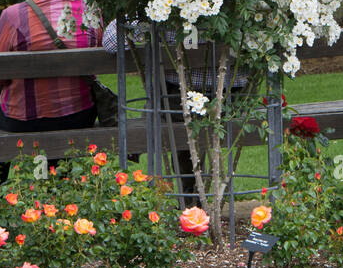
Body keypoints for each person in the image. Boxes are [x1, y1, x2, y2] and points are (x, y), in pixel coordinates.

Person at [0, 0, 102, 179]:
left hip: (24, 119)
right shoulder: (90, 9)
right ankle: (60, 185)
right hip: (78, 115)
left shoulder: (14, 16)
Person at [102, 17, 247, 204]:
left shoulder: (163, 2)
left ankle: (189, 198)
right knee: (177, 112)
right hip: (230, 96)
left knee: (172, 113)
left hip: (179, 97)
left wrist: (139, 11)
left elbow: (111, 42)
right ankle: (198, 198)